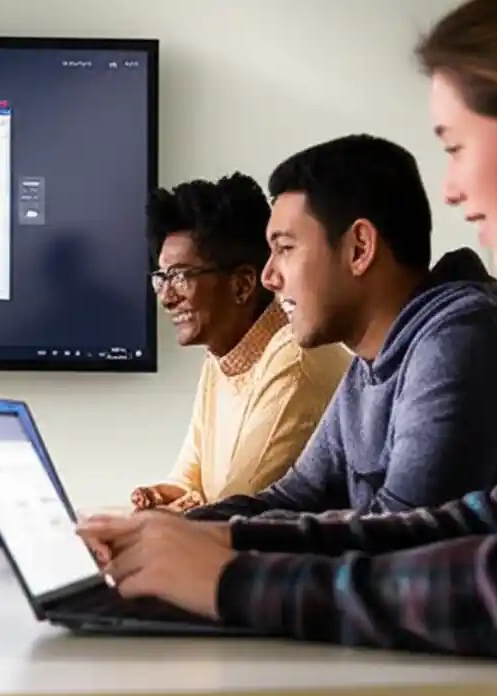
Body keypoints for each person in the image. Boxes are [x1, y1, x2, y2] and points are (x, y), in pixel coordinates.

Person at [78, 0, 497, 665]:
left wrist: (230, 580)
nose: (449, 189)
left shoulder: (471, 335)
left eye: (456, 147)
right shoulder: (392, 353)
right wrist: (213, 538)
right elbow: (482, 518)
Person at [184, 134, 497, 521]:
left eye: (285, 248)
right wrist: (170, 530)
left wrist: (222, 538)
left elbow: (400, 533)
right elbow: (295, 495)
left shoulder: (460, 340)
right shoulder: (373, 361)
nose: (268, 276)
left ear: (359, 248)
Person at [129, 174, 349, 511]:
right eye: (162, 278)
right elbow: (188, 478)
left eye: (180, 277)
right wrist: (164, 499)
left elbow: (236, 511)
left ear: (243, 285)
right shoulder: (221, 355)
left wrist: (170, 516)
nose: (166, 298)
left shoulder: (295, 363)